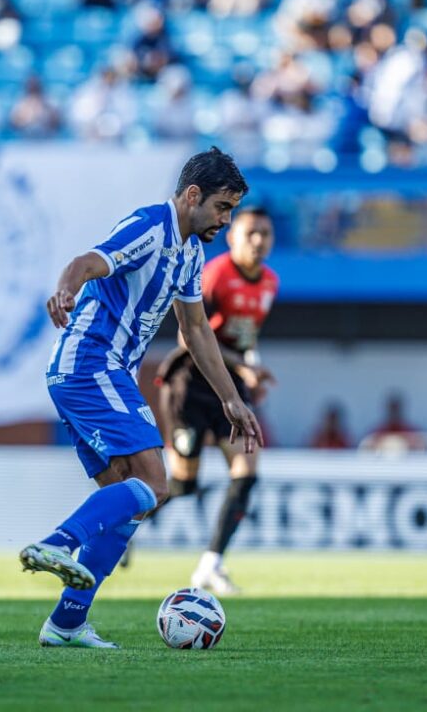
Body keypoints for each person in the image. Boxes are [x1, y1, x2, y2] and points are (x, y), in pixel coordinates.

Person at [18, 147, 262, 649]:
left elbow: (195, 330)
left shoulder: (191, 253)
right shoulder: (152, 226)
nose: (226, 219)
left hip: (93, 372)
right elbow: (87, 262)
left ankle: (65, 624)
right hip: (91, 363)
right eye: (222, 207)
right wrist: (65, 290)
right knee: (157, 482)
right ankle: (55, 543)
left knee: (129, 504)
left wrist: (231, 398)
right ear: (192, 195)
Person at [154, 206, 278, 595]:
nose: (259, 241)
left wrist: (249, 368)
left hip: (230, 389)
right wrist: (244, 365)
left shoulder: (270, 282)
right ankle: (121, 525)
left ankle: (211, 564)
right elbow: (188, 337)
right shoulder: (215, 275)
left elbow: (246, 337)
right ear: (232, 237)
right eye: (251, 233)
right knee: (181, 485)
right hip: (189, 386)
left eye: (266, 234)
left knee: (247, 470)